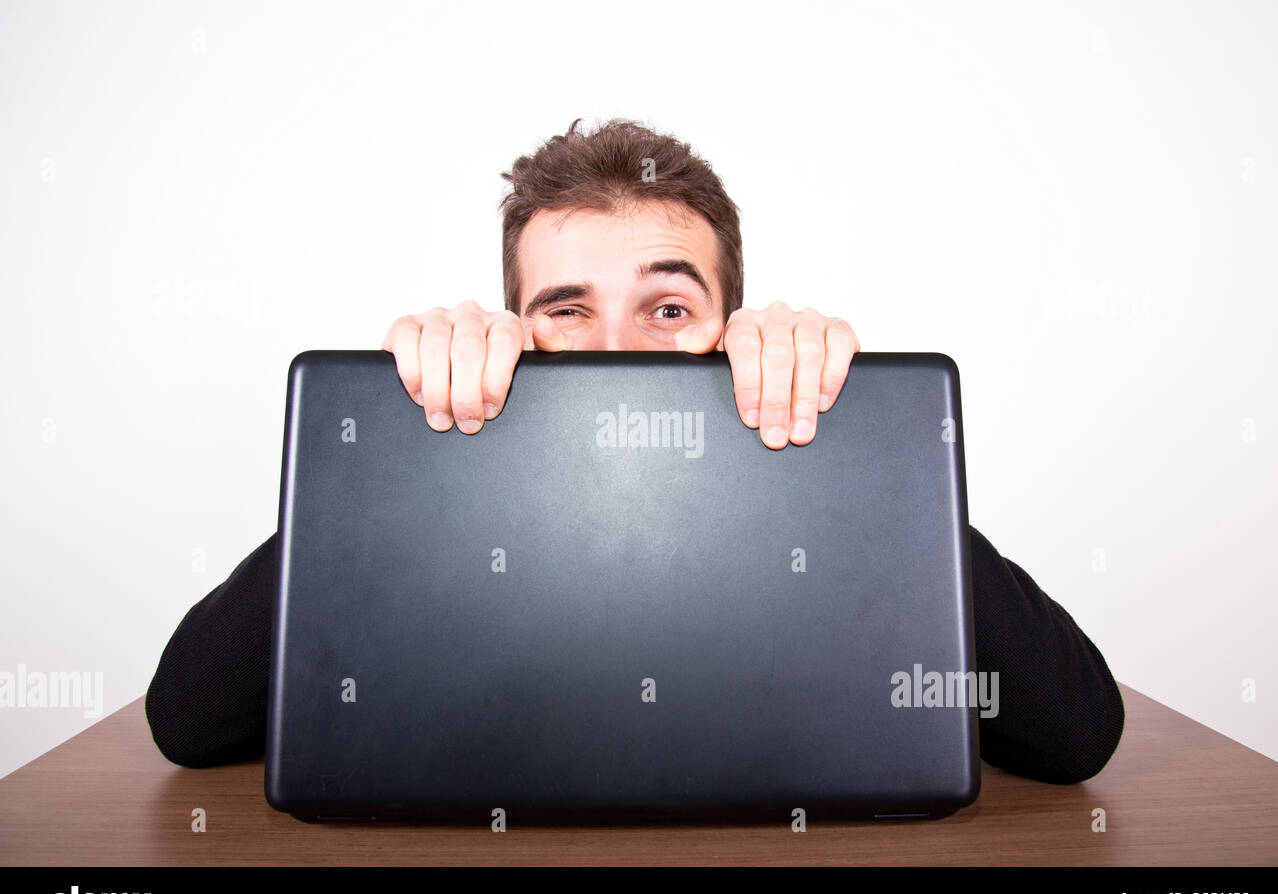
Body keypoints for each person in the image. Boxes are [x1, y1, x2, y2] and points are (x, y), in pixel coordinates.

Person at [146, 118, 1124, 785]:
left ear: (731, 328)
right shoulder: (455, 500)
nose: (615, 353)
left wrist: (863, 448)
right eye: (566, 311)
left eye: (666, 308)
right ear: (515, 332)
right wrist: (389, 450)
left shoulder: (801, 493)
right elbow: (189, 721)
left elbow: (1074, 731)